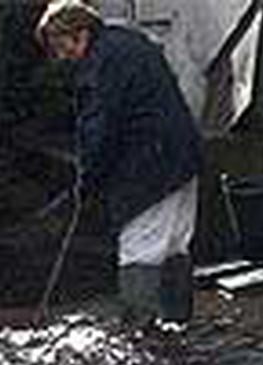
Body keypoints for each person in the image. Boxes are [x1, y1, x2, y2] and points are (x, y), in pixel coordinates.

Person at [37, 0, 203, 326]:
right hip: (182, 157)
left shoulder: (100, 66)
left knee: (139, 249)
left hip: (148, 169)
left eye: (62, 46)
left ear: (80, 33)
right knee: (174, 246)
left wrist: (87, 181)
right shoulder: (130, 41)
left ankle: (138, 335)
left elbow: (99, 129)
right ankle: (177, 324)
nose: (61, 56)